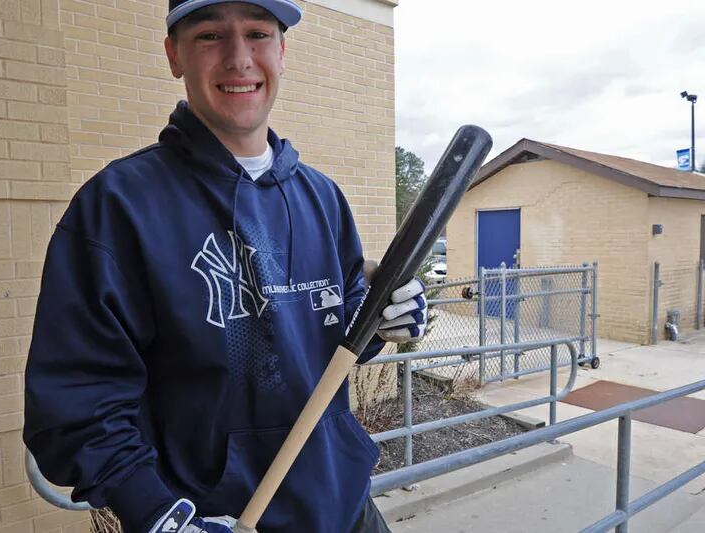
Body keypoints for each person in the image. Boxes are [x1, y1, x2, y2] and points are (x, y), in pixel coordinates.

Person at [22, 1, 427, 532]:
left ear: (282, 52)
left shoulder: (321, 198)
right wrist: (156, 513)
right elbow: (76, 402)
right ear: (174, 55)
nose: (239, 58)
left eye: (258, 34)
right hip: (216, 518)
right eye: (211, 36)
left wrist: (381, 319)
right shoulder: (117, 208)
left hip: (345, 508)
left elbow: (331, 338)